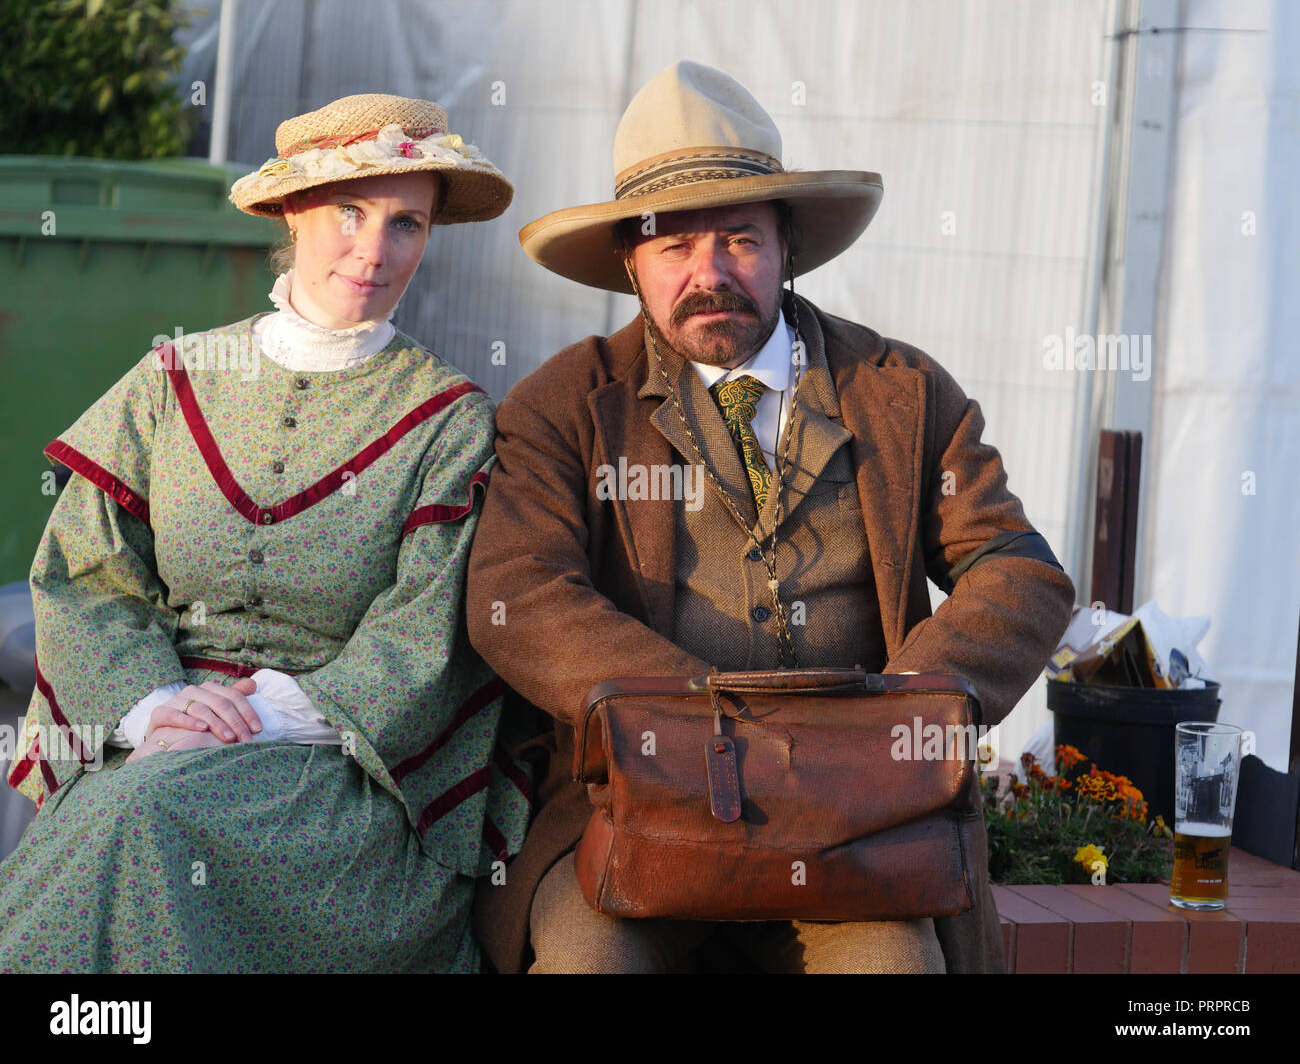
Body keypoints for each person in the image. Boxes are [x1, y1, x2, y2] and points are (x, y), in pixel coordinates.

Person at [467, 61, 1076, 974]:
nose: (708, 275)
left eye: (738, 239)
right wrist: (698, 726)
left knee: (895, 970)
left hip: (856, 837)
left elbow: (1019, 569)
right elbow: (515, 593)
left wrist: (898, 720)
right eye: (672, 247)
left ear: (787, 245)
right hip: (639, 822)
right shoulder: (564, 404)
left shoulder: (902, 393)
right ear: (630, 261)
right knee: (591, 965)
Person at [0, 93, 530, 973]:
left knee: (139, 820)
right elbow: (84, 572)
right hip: (154, 739)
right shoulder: (174, 378)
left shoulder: (450, 421)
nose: (375, 251)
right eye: (348, 213)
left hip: (339, 783)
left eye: (408, 223)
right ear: (291, 210)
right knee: (125, 818)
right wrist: (156, 707)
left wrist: (254, 714)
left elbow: (426, 633)